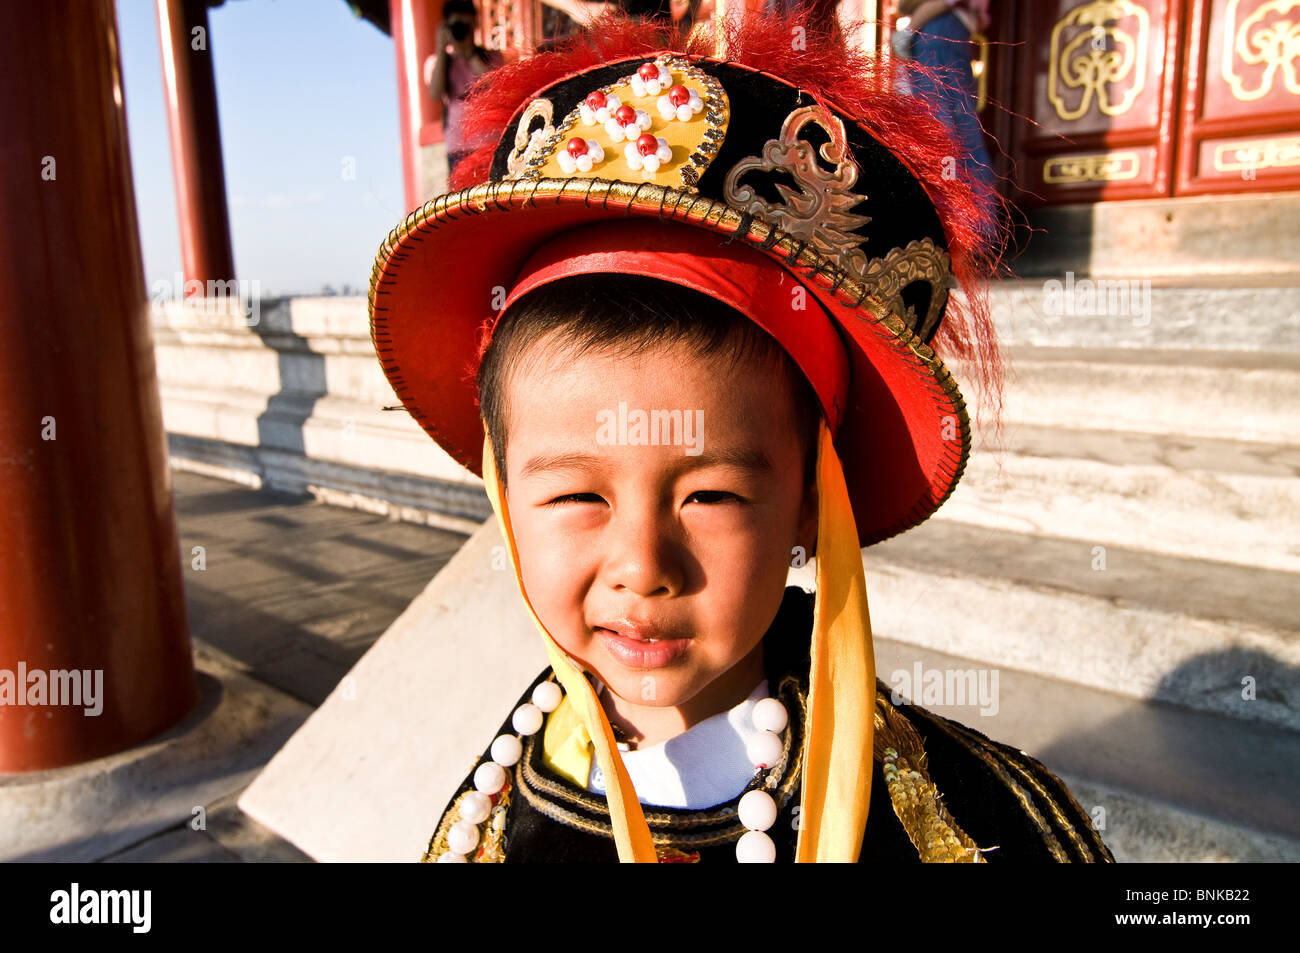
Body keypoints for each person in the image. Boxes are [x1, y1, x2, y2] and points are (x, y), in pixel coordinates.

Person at [369, 11, 1112, 863]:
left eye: (709, 494)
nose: (643, 567)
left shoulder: (986, 826)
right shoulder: (489, 822)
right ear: (506, 498)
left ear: (810, 499)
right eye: (577, 495)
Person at [895, 0, 996, 206]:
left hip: (937, 31)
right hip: (948, 31)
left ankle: (951, 211)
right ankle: (970, 217)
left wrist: (908, 30)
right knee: (954, 126)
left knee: (941, 127)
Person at [426, 0, 503, 179]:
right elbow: (435, 93)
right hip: (458, 147)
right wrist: (441, 49)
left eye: (465, 25)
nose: (461, 30)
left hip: (492, 142)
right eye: (456, 26)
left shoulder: (491, 56)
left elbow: (494, 86)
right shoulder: (437, 63)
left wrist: (469, 54)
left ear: (475, 24)